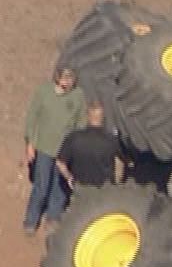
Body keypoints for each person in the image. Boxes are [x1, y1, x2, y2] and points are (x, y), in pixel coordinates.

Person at [22, 65, 87, 236]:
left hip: (65, 151)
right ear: (57, 77)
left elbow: (81, 123)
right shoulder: (43, 92)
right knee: (41, 186)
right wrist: (30, 144)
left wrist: (77, 149)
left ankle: (53, 218)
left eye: (71, 79)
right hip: (44, 146)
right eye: (65, 78)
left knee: (59, 188)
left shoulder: (78, 96)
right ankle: (31, 220)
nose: (67, 82)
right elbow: (32, 117)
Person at [57, 101, 123, 190]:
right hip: (105, 190)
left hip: (81, 188)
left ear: (87, 116)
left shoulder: (73, 137)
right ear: (103, 117)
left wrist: (69, 178)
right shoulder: (111, 139)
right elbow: (123, 159)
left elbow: (60, 163)